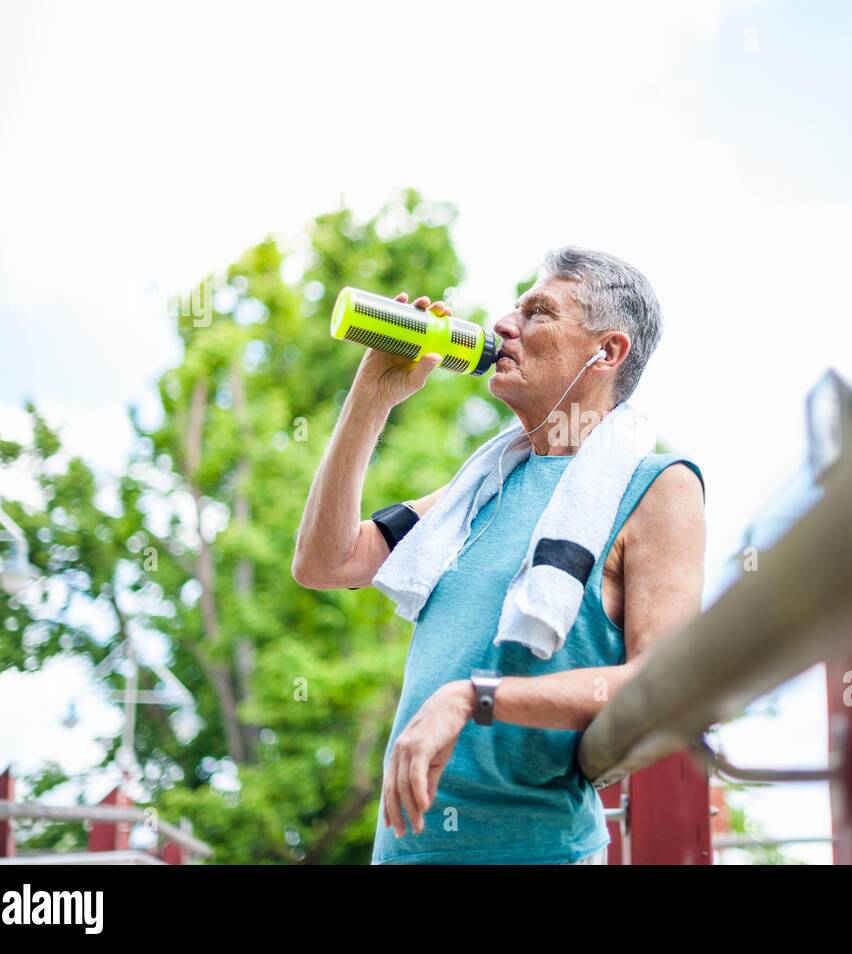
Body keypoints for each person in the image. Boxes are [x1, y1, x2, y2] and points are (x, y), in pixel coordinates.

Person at [292, 246, 705, 864]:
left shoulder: (657, 489)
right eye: (513, 309)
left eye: (538, 313)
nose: (504, 326)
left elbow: (665, 681)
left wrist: (473, 696)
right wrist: (371, 398)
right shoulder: (478, 491)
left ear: (606, 352)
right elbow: (325, 561)